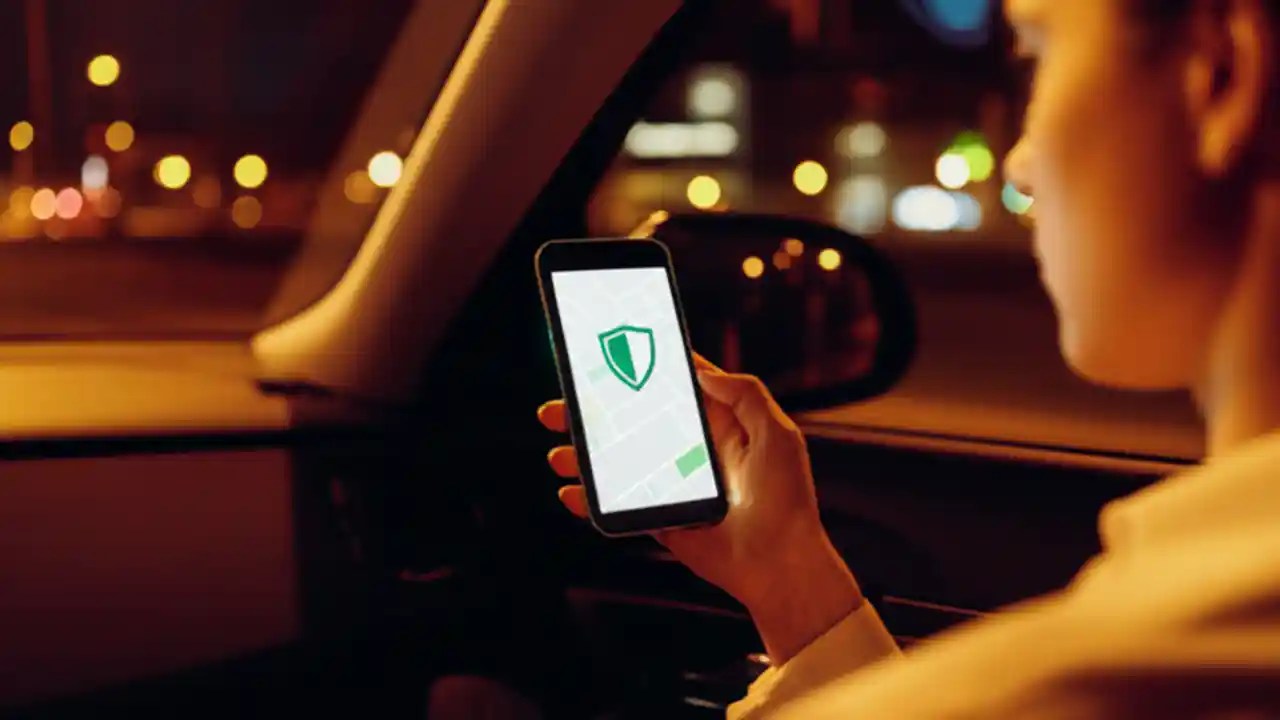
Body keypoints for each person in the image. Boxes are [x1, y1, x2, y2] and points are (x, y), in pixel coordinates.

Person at [538, 0, 1280, 716]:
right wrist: (786, 574)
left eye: (1038, 51)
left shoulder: (1099, 687)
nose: (1020, 164)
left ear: (1221, 71)